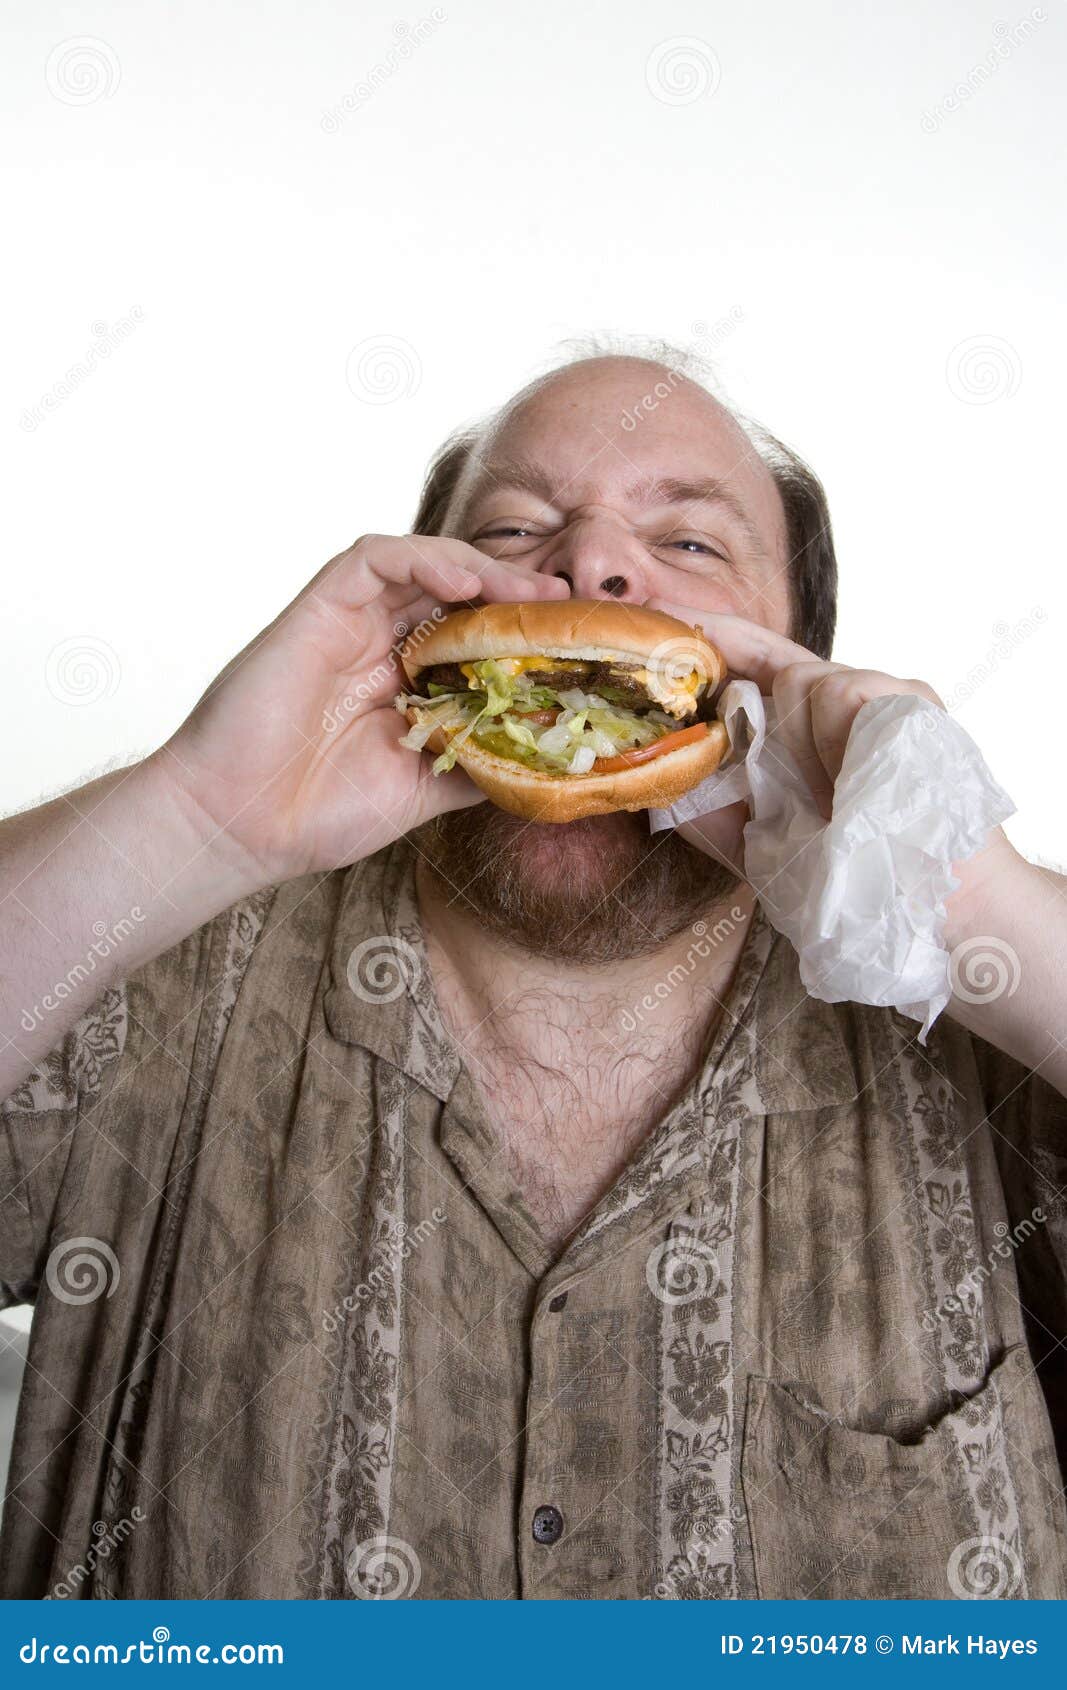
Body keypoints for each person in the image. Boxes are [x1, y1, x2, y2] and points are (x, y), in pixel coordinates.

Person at [1, 348, 1065, 1601]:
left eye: (691, 543)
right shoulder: (159, 970)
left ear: (790, 666)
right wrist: (193, 815)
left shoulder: (977, 1027)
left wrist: (963, 894)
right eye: (514, 528)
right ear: (422, 632)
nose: (592, 562)